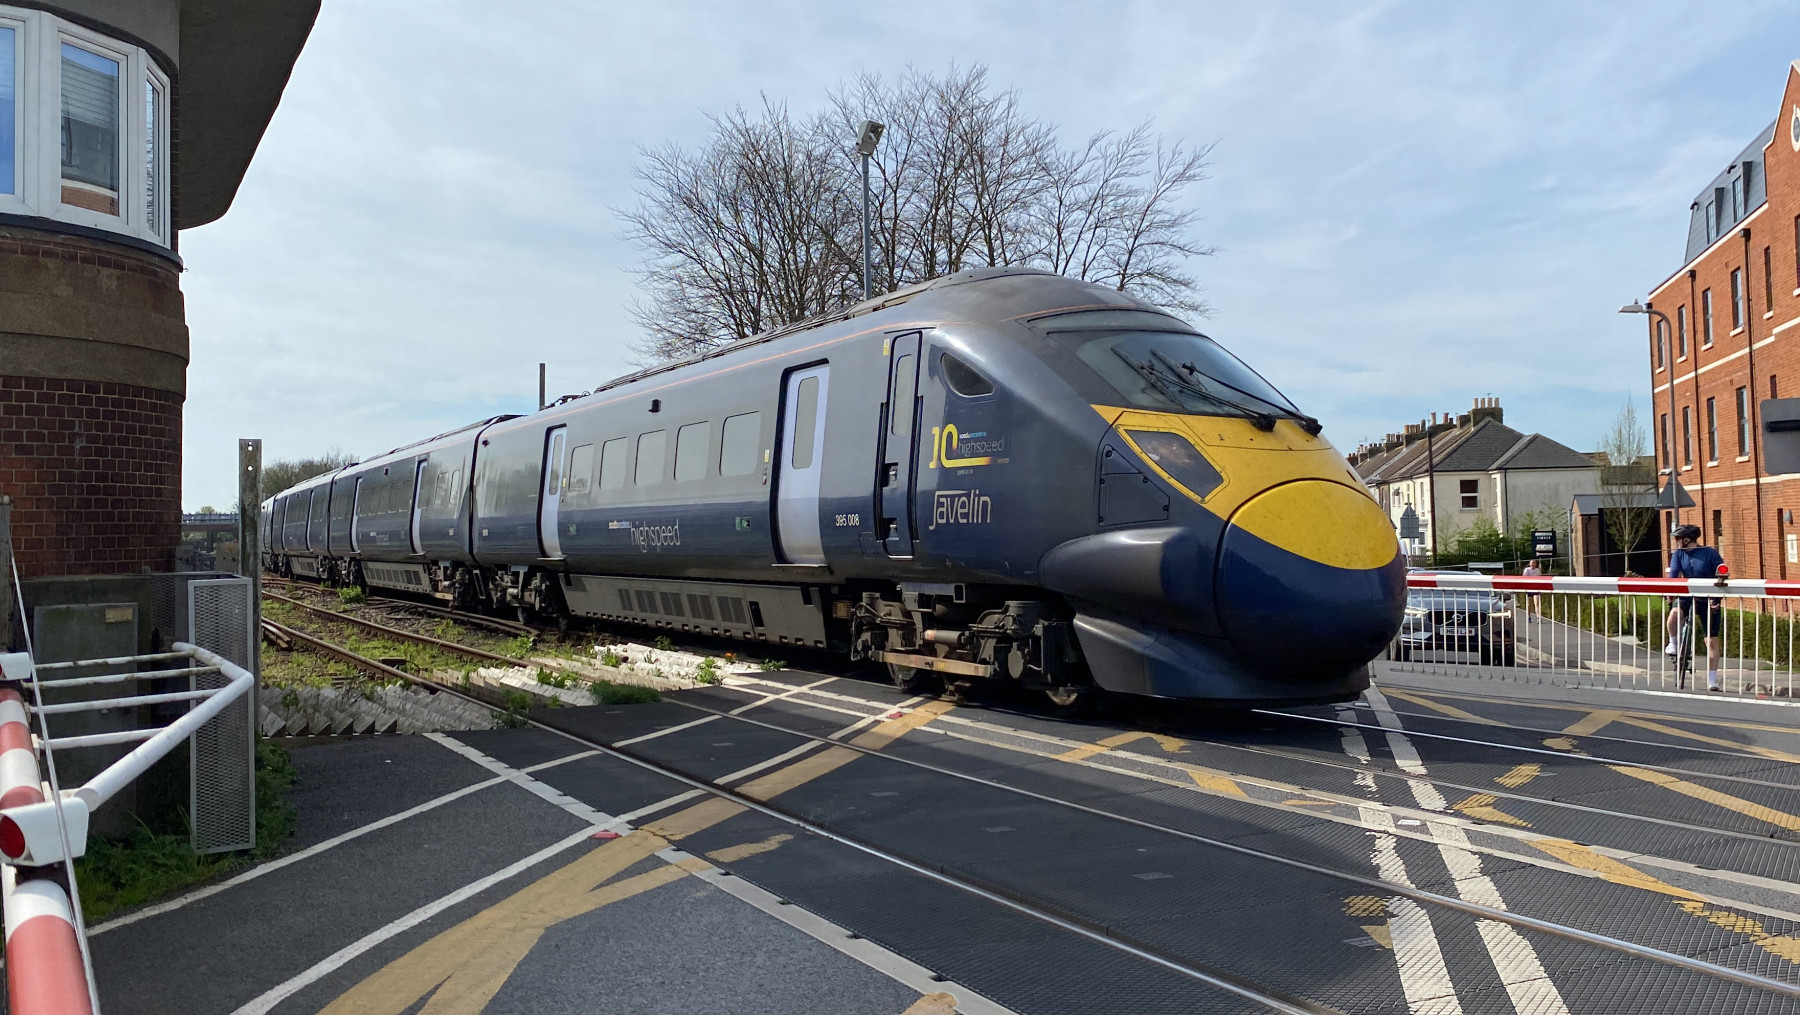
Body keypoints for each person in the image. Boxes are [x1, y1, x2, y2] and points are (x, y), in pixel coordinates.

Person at [1663, 523, 1726, 692]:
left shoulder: (1710, 553)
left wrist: (1716, 599)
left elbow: (1722, 575)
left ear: (1686, 539)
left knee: (1711, 641)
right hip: (1687, 597)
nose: (1675, 542)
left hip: (1708, 599)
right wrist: (1670, 592)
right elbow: (1674, 575)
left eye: (1677, 539)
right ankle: (1674, 643)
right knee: (1674, 615)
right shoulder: (1678, 554)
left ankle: (1712, 680)